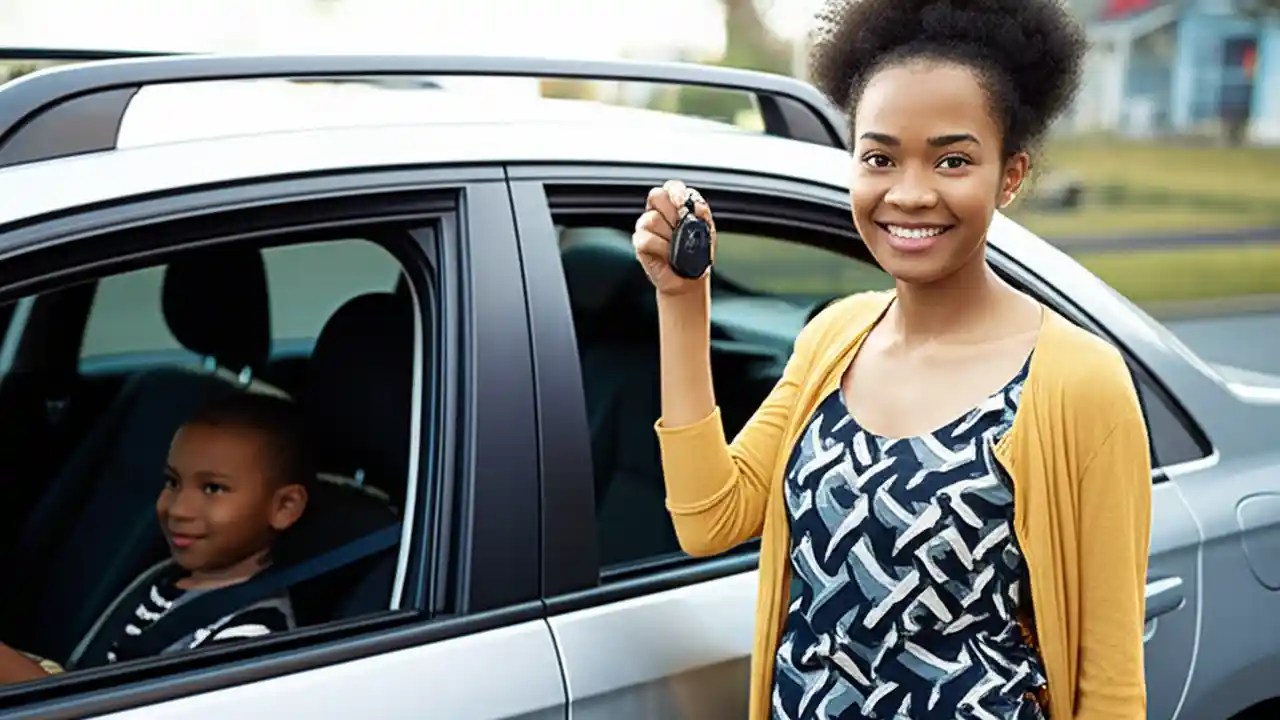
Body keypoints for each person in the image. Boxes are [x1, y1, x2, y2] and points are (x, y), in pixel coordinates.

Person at [631, 0, 1151, 718]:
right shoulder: (833, 338)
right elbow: (709, 518)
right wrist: (683, 300)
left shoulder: (1078, 384)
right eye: (879, 157)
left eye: (952, 160)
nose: (909, 192)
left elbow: (1113, 685)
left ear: (1011, 176)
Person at [0, 392, 311, 683]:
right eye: (172, 482)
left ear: (284, 507)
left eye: (213, 488)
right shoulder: (163, 579)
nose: (178, 509)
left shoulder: (250, 637)